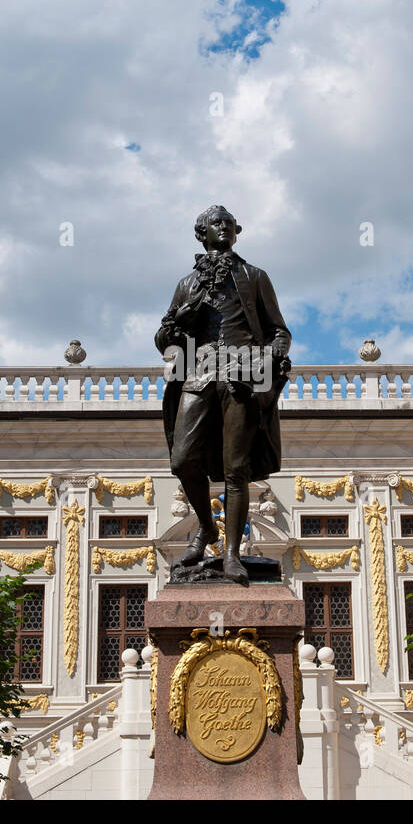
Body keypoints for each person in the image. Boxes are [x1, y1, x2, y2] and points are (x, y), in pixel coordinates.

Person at [156, 205, 291, 585]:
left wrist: (269, 358)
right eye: (216, 223)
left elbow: (279, 331)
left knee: (237, 471)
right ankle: (206, 526)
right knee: (182, 460)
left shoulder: (254, 276)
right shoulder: (186, 284)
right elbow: (164, 341)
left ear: (236, 232)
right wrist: (179, 321)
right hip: (197, 374)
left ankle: (232, 555)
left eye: (230, 223)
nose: (225, 227)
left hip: (241, 377)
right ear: (201, 234)